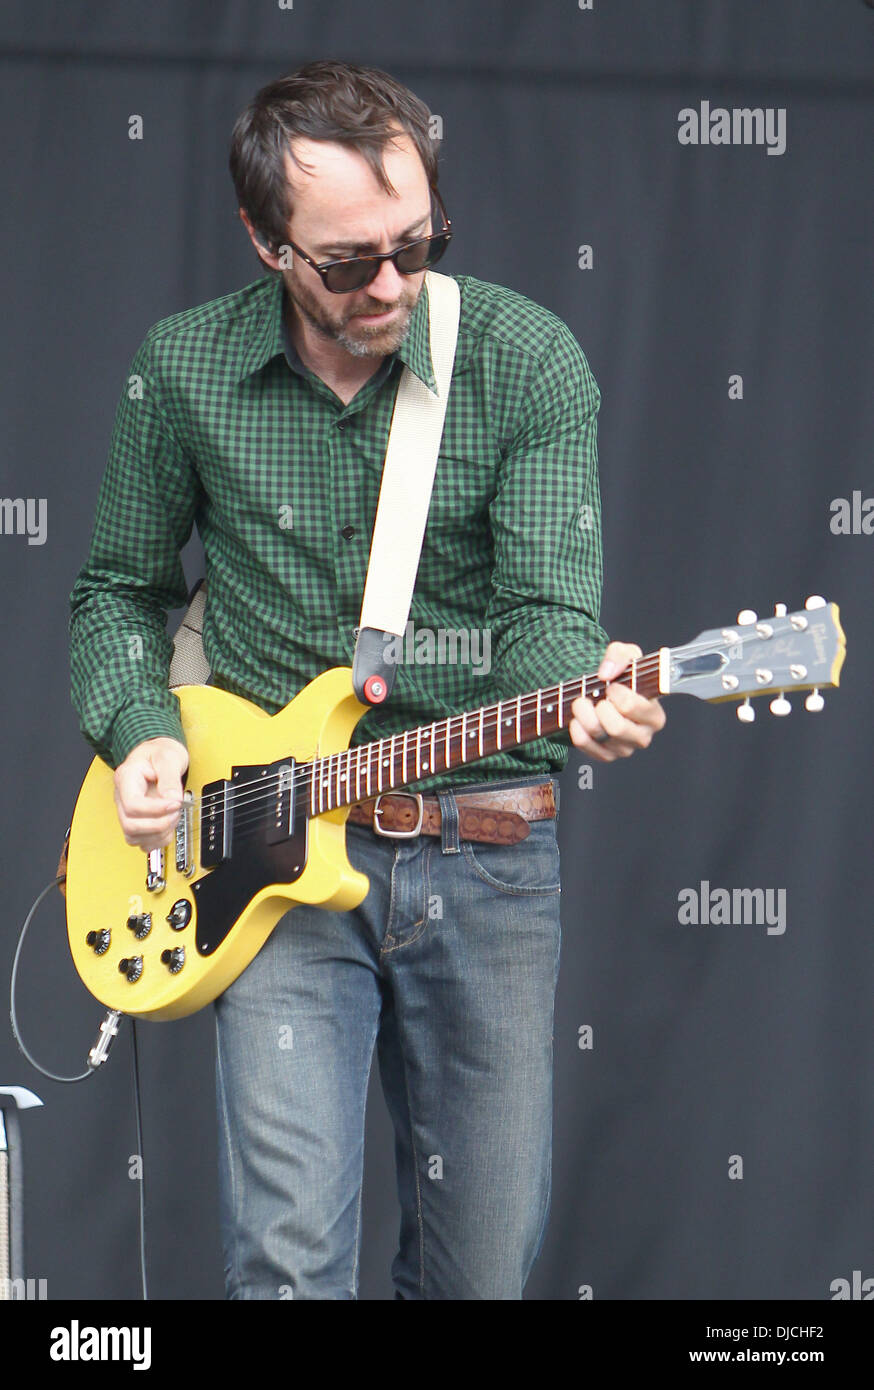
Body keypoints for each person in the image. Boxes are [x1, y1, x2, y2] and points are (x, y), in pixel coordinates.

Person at [69, 60, 666, 1300]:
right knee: (286, 1264)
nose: (391, 283)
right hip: (274, 858)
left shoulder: (525, 361)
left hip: (490, 850)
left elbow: (550, 615)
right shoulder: (183, 370)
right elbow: (115, 593)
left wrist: (590, 691)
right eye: (347, 262)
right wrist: (140, 732)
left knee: (481, 1274)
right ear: (265, 242)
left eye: (416, 241)